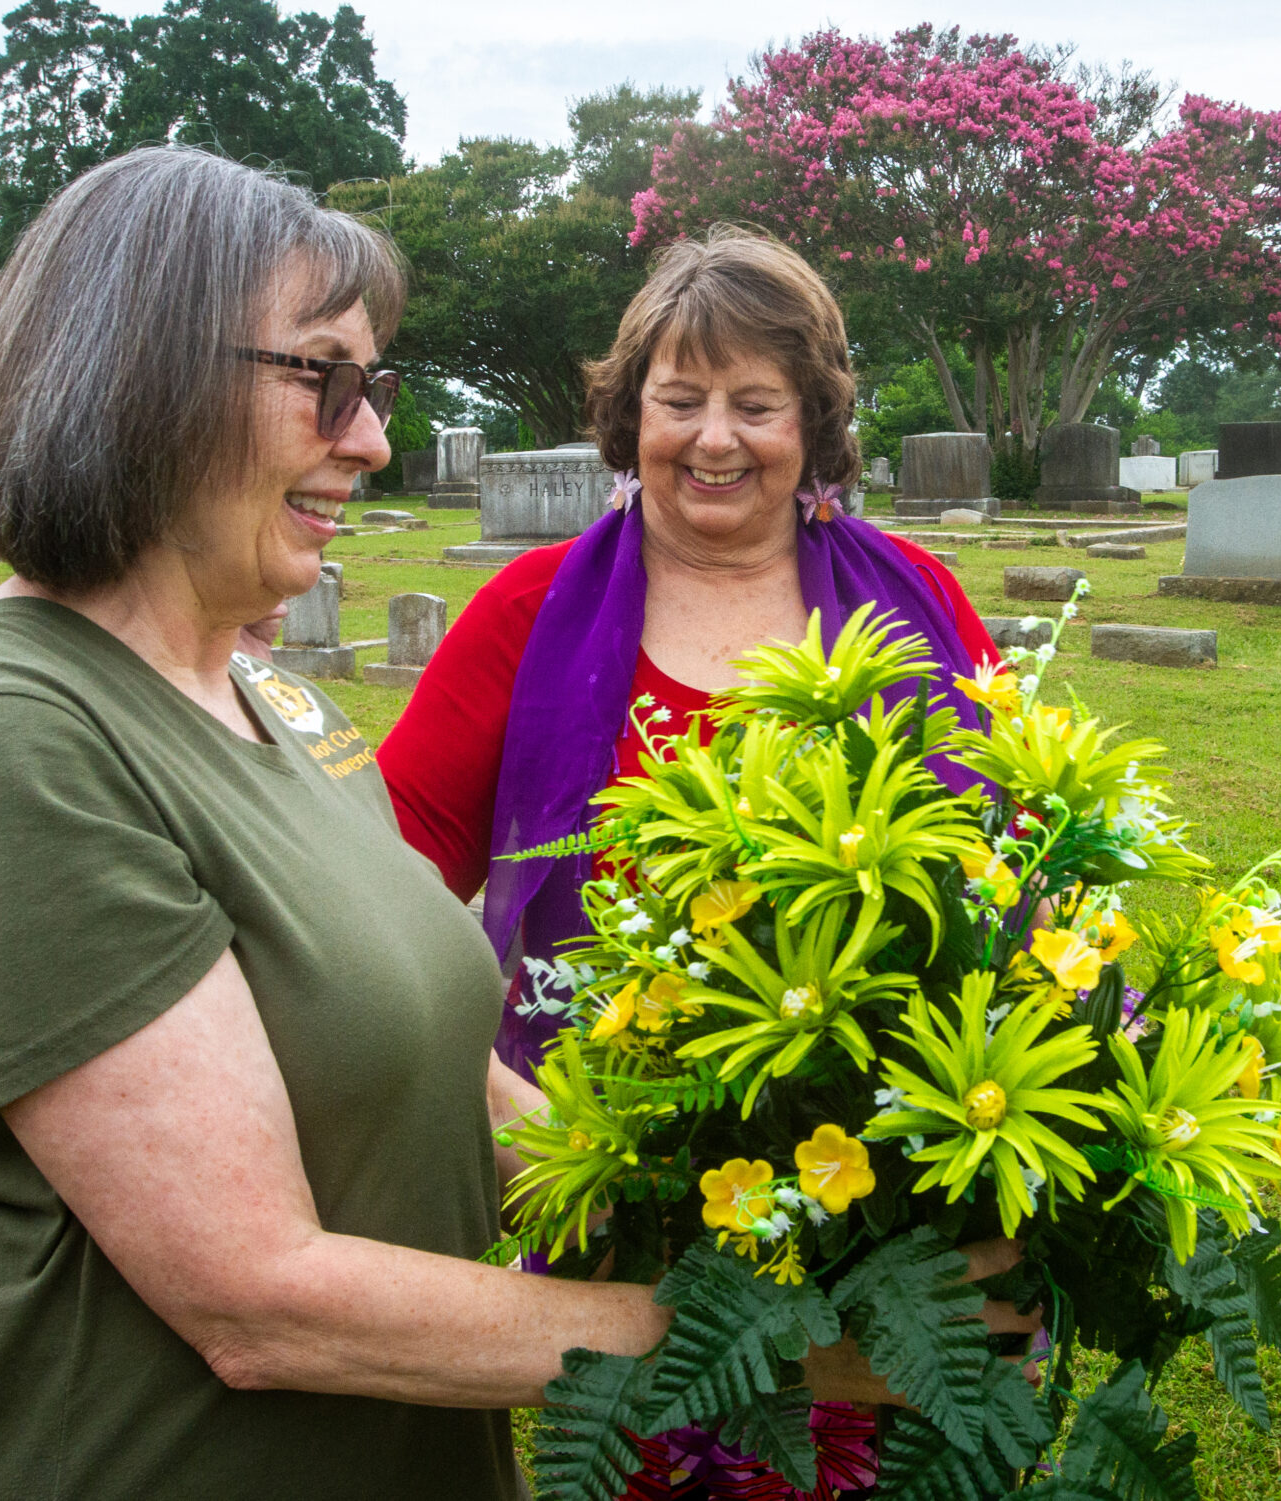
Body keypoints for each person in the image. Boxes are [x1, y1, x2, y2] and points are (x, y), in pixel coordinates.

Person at [0, 151, 999, 1500]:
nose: (373, 436)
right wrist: (777, 1344)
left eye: (375, 386)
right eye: (324, 379)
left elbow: (451, 1065)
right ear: (142, 376)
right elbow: (256, 1298)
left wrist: (780, 1228)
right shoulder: (13, 729)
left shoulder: (265, 689)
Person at [377, 227, 1003, 1497]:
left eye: (756, 404)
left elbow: (1006, 874)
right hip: (615, 1197)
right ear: (629, 417)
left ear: (814, 425)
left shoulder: (919, 601)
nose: (715, 438)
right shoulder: (527, 615)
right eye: (679, 400)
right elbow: (372, 892)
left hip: (889, 1200)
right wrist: (497, 1092)